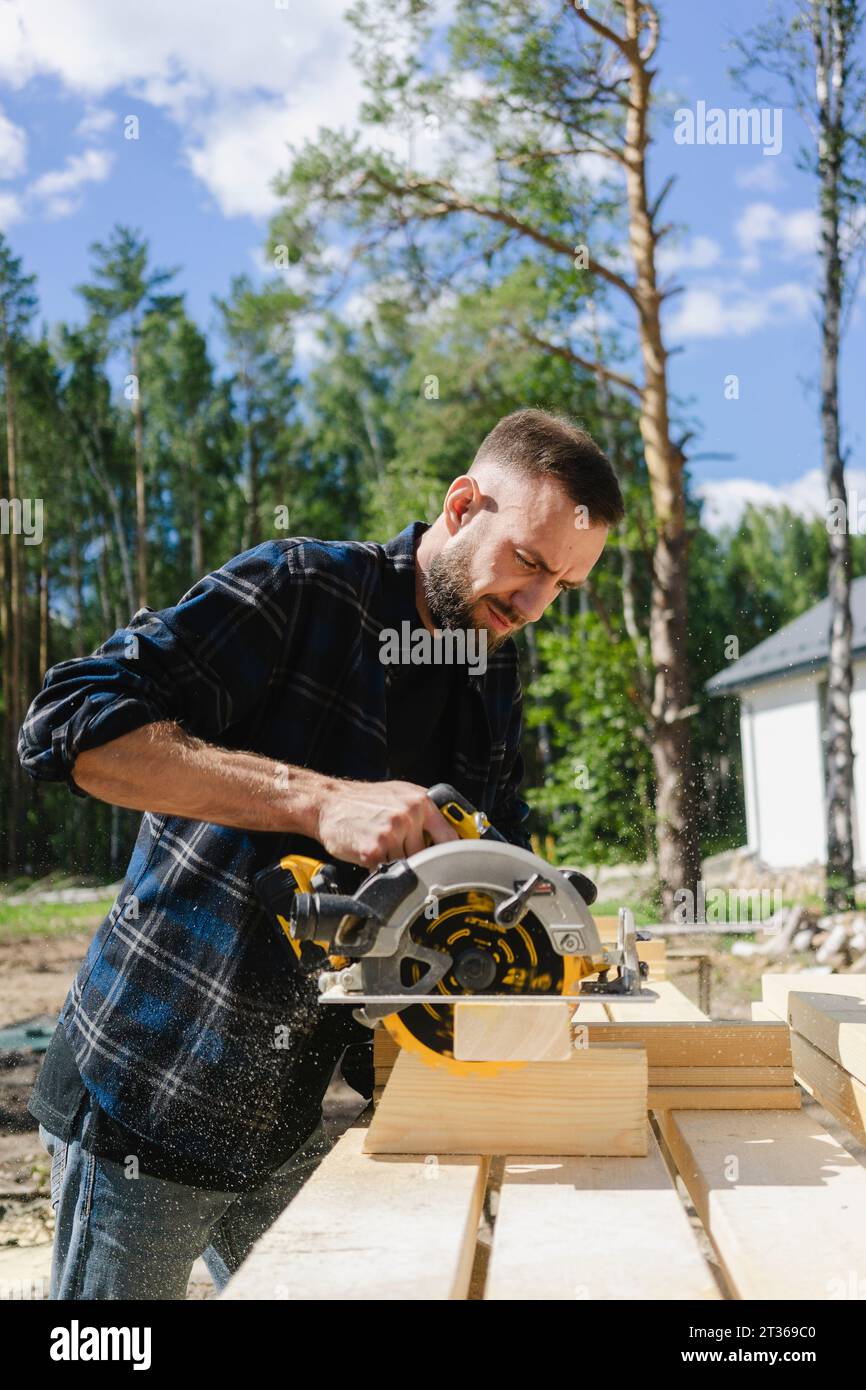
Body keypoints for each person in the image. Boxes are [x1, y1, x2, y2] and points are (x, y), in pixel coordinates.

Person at [19, 407, 624, 1299]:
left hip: (299, 1109)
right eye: (529, 562)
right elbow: (67, 726)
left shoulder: (491, 668)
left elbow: (499, 862)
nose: (531, 606)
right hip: (152, 1094)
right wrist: (318, 801)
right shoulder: (304, 589)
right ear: (462, 505)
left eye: (562, 587)